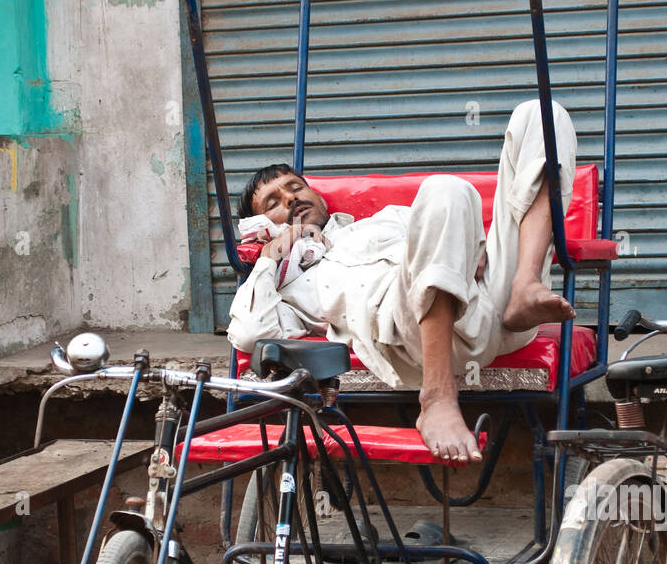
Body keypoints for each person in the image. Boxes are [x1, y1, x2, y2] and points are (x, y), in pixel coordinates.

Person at [226, 98, 578, 464]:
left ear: (315, 193)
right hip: (415, 336)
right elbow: (251, 334)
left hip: (498, 305)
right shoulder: (288, 288)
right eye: (273, 203)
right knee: (445, 188)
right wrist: (268, 259)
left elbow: (450, 228)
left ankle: (525, 284)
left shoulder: (383, 219)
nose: (291, 198)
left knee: (540, 116)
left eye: (295, 187)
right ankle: (438, 396)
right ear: (260, 226)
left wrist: (473, 248)